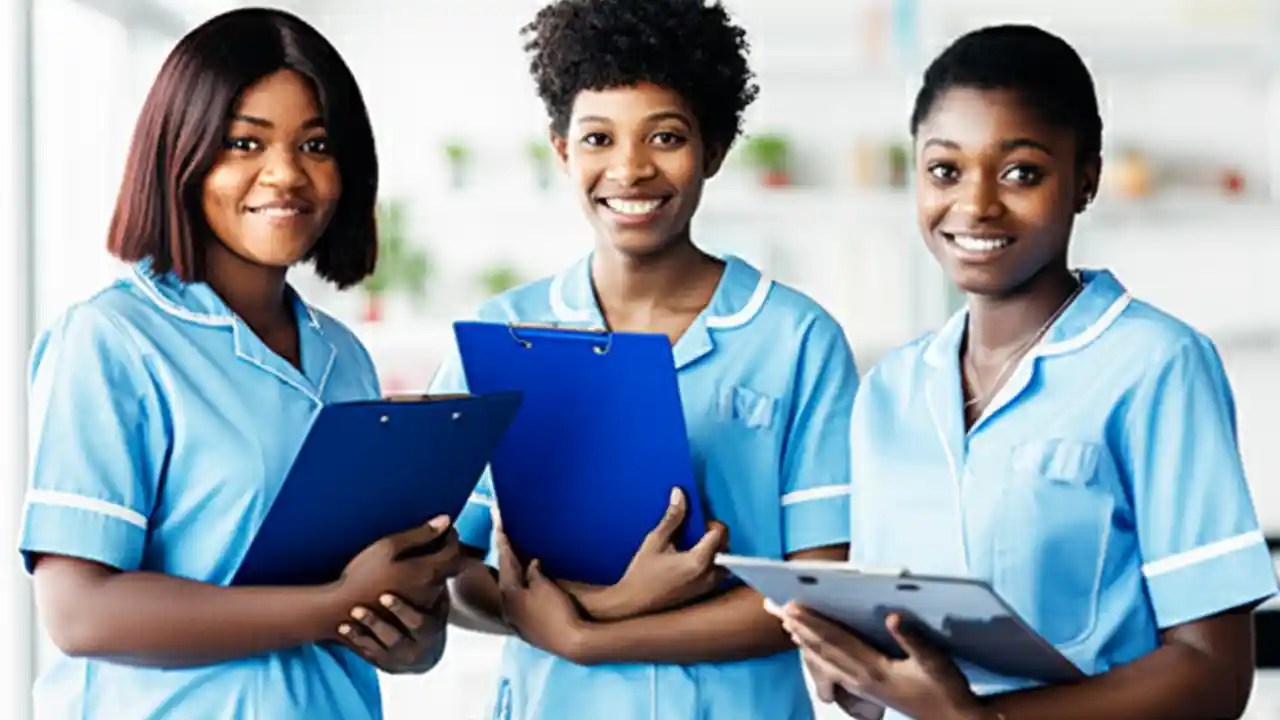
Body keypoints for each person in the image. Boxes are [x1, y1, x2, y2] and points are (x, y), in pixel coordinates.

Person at [769, 24, 1280, 720]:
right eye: (945, 170)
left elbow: (1213, 675)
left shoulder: (1156, 366)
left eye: (1021, 173)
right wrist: (850, 668)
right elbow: (893, 658)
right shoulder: (891, 389)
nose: (976, 204)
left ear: (1086, 179)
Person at [407, 1, 858, 717]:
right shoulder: (500, 335)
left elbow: (811, 600)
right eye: (597, 138)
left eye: (666, 136)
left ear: (713, 147)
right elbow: (454, 572)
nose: (631, 168)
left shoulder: (796, 339)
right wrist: (618, 601)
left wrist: (589, 635)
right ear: (562, 150)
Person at [19, 9, 461, 719]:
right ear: (182, 153)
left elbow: (374, 608)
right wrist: (330, 606)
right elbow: (80, 614)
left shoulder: (342, 356)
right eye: (243, 142)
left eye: (315, 144)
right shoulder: (111, 340)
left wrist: (411, 634)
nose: (285, 174)